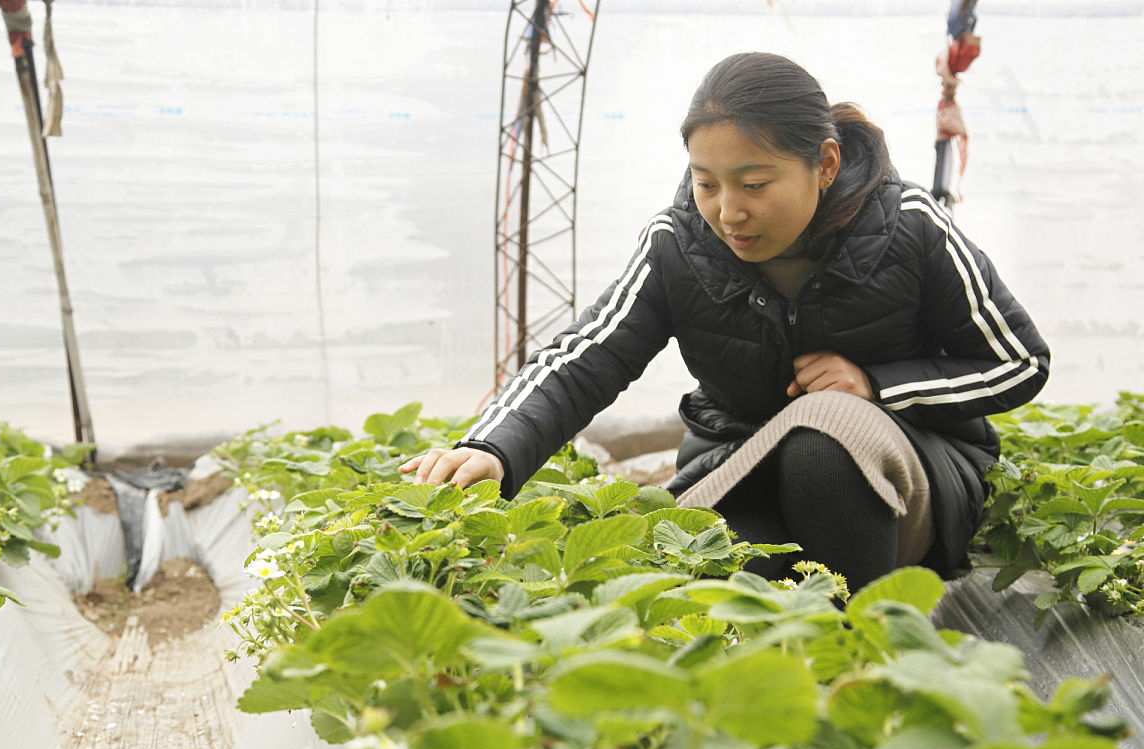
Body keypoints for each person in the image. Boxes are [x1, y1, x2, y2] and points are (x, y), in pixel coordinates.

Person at [401, 52, 1049, 588]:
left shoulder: (909, 229)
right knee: (718, 580)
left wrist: (879, 386)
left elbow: (1019, 360)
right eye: (707, 182)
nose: (727, 211)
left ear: (823, 164)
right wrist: (489, 448)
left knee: (825, 435)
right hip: (740, 466)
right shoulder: (680, 245)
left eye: (754, 183)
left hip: (905, 486)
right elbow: (585, 356)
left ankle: (864, 647)